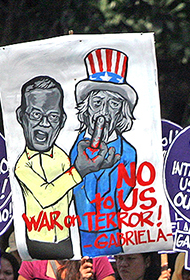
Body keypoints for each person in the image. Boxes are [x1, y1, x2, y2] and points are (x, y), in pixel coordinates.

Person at [13, 76, 119, 260]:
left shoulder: (63, 157)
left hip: (66, 240)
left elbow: (74, 190)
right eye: (36, 115)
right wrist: (79, 170)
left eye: (52, 116)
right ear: (21, 117)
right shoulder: (23, 165)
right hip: (38, 244)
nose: (44, 124)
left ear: (61, 121)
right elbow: (46, 195)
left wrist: (99, 168)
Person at [68, 48, 137, 256]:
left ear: (122, 111)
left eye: (113, 103)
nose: (104, 111)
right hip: (79, 242)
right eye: (98, 103)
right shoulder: (74, 149)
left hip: (116, 243)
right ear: (87, 108)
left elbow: (124, 201)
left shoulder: (129, 154)